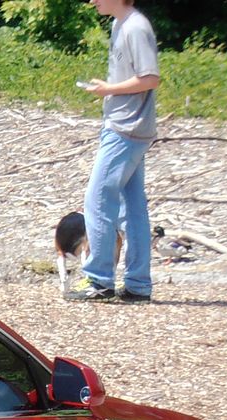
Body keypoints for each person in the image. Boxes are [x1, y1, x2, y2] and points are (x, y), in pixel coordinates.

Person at [70, 0, 161, 302]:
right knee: (132, 208)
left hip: (126, 129)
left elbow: (150, 78)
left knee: (97, 199)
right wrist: (108, 88)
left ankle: (99, 279)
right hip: (130, 127)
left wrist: (108, 90)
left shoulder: (136, 27)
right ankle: (138, 284)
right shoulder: (119, 24)